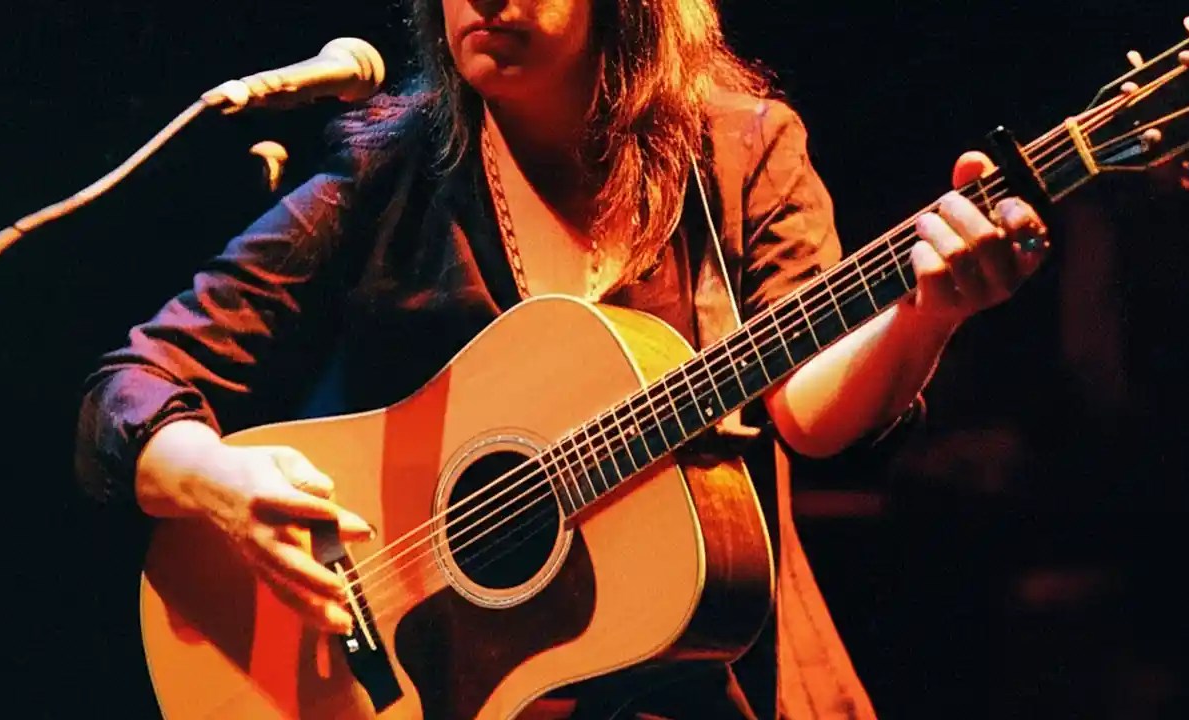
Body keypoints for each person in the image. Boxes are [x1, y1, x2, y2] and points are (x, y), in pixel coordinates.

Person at [75, 0, 1048, 717]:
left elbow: (801, 411)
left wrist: (923, 318)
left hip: (714, 682)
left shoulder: (738, 147)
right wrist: (213, 479)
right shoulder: (394, 171)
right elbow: (129, 388)